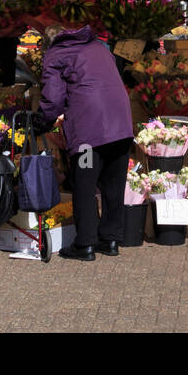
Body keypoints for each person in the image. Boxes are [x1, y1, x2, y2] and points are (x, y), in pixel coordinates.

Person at [37, 22, 133, 261]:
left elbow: (53, 98)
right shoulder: (98, 46)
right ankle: (110, 240)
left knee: (85, 183)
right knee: (114, 184)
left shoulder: (56, 54)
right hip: (121, 124)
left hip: (90, 133)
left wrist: (43, 121)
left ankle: (85, 244)